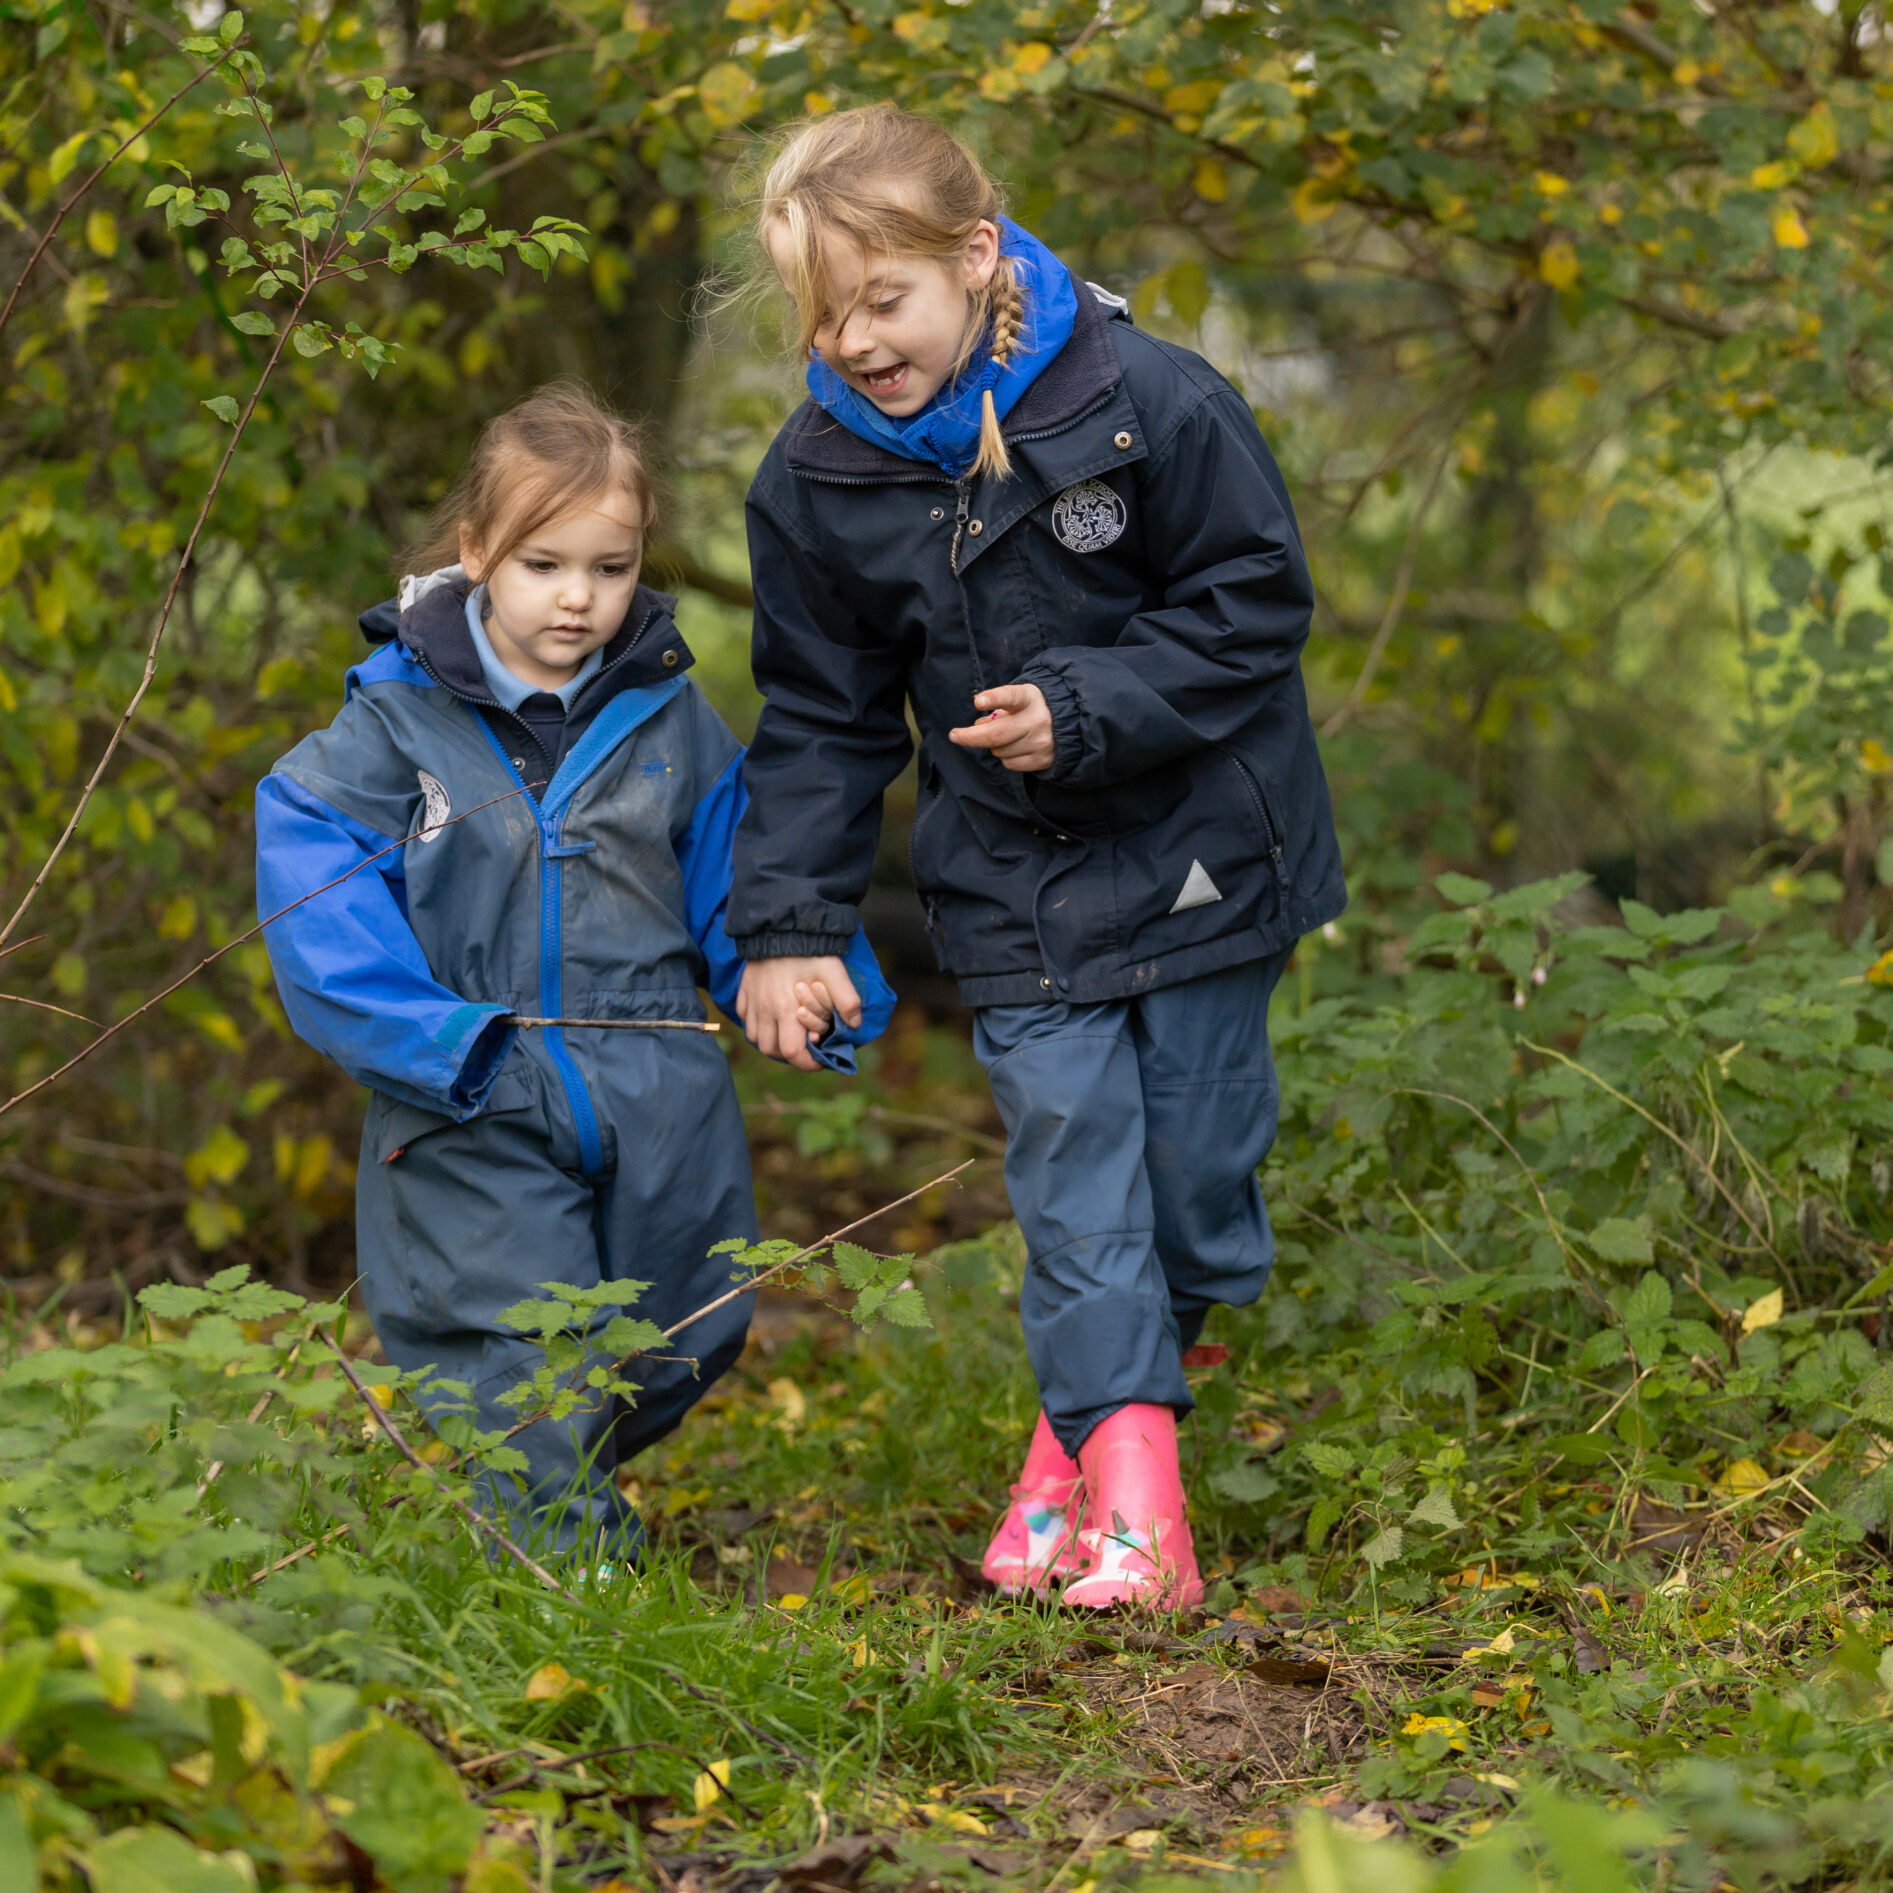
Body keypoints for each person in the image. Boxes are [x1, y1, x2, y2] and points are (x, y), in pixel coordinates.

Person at [727, 106, 1344, 1608]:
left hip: (1205, 856)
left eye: (887, 301)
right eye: (827, 316)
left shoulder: (1148, 400)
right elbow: (820, 716)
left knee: (1194, 1188)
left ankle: (1073, 1436)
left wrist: (1084, 706)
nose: (861, 342)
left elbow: (1253, 602)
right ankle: (1137, 1499)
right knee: (1075, 1181)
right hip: (1013, 886)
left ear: (974, 255)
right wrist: (790, 923)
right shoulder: (816, 479)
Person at [256, 381, 893, 1559]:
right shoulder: (389, 729)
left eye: (609, 567)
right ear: (476, 552)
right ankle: (574, 1576)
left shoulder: (667, 715)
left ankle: (557, 1494)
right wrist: (436, 1040)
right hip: (474, 1084)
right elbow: (317, 901)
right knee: (523, 1350)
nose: (577, 597)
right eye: (544, 563)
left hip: (656, 1078)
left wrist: (796, 966)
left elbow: (741, 863)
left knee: (686, 1330)